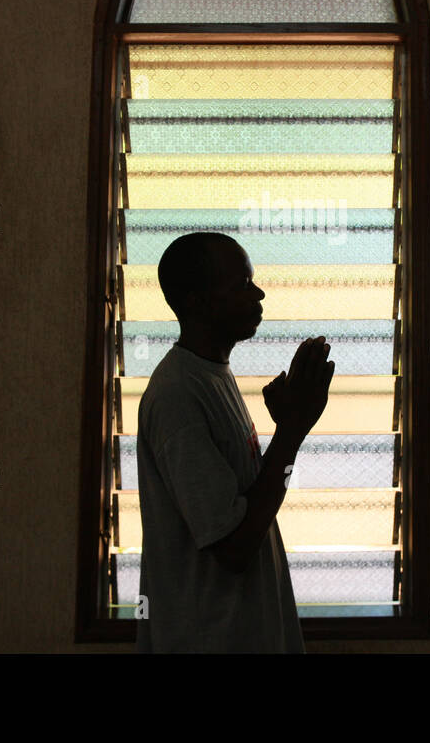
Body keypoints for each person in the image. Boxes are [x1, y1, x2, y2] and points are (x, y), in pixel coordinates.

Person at [135, 231, 334, 652]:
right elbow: (233, 547)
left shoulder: (210, 375)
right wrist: (291, 432)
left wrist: (285, 429)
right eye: (243, 284)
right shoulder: (178, 394)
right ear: (197, 301)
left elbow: (241, 506)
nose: (259, 293)